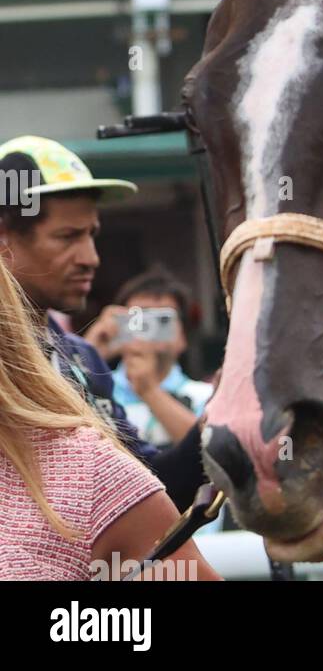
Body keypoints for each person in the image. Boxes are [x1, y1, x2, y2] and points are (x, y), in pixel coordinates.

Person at [0, 136, 209, 513]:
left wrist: (215, 425)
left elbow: (148, 491)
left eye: (91, 234)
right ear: (4, 240)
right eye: (68, 236)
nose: (91, 258)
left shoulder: (83, 360)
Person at [0, 255, 219, 581]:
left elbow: (159, 480)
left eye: (157, 321)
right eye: (134, 321)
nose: (89, 257)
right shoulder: (89, 367)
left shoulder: (87, 464)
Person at [85, 269, 212, 450]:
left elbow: (210, 452)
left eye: (162, 320)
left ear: (183, 336)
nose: (149, 331)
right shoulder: (95, 389)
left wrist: (149, 390)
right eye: (139, 320)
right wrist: (86, 352)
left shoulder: (206, 396)